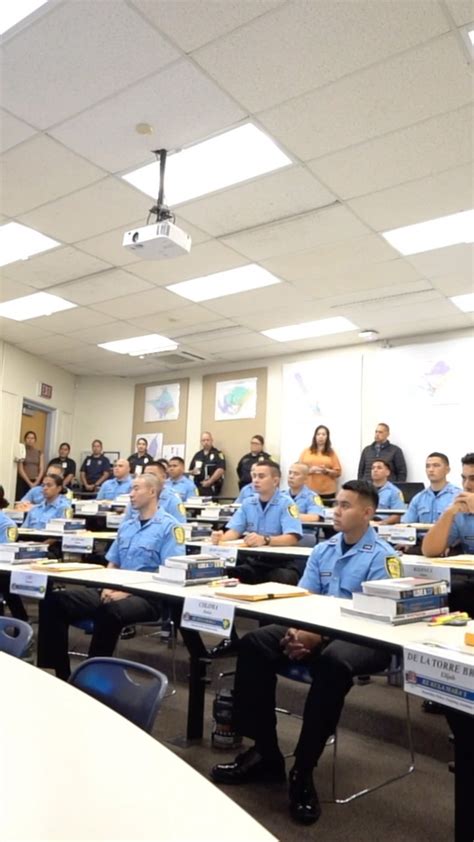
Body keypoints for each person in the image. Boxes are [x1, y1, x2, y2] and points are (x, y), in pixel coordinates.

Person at [211, 481, 397, 826]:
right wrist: (298, 630)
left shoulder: (384, 557)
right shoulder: (324, 550)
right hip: (317, 630)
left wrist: (319, 636)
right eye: (335, 504)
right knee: (254, 643)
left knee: (332, 663)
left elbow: (374, 617)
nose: (335, 511)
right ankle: (266, 753)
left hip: (365, 639)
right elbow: (303, 599)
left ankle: (304, 769)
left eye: (345, 505)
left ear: (367, 512)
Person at [37, 473, 185, 680]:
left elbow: (169, 572)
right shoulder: (127, 526)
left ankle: (91, 677)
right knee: (53, 601)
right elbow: (113, 562)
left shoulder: (170, 527)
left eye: (136, 489)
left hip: (148, 597)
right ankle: (57, 673)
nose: (130, 494)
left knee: (110, 611)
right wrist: (108, 586)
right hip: (114, 588)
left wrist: (126, 592)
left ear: (152, 492)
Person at [212, 461, 303, 585]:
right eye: (254, 476)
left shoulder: (287, 503)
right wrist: (220, 539)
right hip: (254, 562)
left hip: (280, 563)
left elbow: (292, 537)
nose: (255, 480)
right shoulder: (248, 503)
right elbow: (234, 531)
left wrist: (266, 540)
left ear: (275, 481)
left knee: (284, 578)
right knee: (223, 573)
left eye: (261, 476)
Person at [422, 453, 474, 556]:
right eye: (464, 478)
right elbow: (430, 551)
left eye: (473, 479)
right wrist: (449, 513)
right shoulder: (461, 510)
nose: (466, 485)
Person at [401, 452, 461, 525]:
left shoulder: (458, 496)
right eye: (428, 466)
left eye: (436, 465)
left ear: (447, 470)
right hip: (423, 533)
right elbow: (406, 524)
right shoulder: (418, 498)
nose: (431, 469)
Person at [298, 425, 341, 501]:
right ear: (315, 436)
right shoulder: (306, 451)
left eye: (323, 434)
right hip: (308, 491)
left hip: (327, 492)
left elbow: (338, 472)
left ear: (327, 437)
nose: (321, 436)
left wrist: (326, 471)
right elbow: (298, 469)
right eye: (318, 434)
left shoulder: (331, 453)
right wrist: (310, 470)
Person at [0, 510, 29, 621]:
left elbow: (5, 552)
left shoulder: (7, 524)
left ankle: (20, 619)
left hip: (3, 565)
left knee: (4, 580)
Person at [189, 432, 225, 496]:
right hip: (198, 486)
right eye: (203, 440)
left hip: (212, 487)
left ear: (212, 440)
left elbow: (221, 469)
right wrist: (193, 471)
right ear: (201, 442)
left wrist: (209, 482)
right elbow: (190, 470)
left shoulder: (218, 454)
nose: (206, 442)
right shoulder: (197, 455)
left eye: (208, 440)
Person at [370, 459, 406, 525]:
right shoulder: (365, 490)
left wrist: (381, 523)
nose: (375, 470)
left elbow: (398, 514)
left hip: (384, 525)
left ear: (387, 472)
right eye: (373, 468)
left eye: (379, 468)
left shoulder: (394, 491)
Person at [16, 431, 45, 499]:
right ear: (25, 439)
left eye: (32, 438)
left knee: (34, 501)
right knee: (22, 500)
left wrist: (36, 482)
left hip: (36, 481)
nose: (30, 440)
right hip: (23, 481)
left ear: (35, 440)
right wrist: (30, 483)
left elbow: (41, 468)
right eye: (28, 438)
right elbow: (20, 469)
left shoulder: (39, 452)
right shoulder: (22, 451)